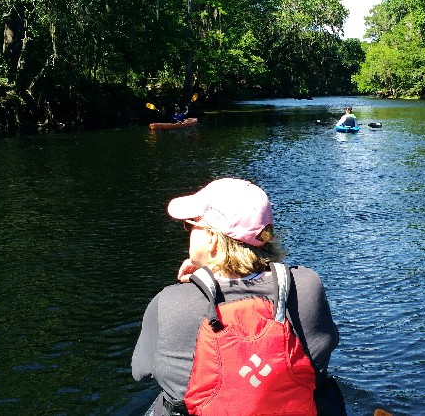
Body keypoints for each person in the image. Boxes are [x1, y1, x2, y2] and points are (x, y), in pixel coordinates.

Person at [132, 178, 345, 416]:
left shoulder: (170, 302)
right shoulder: (307, 286)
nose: (189, 231)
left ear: (212, 239)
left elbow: (142, 372)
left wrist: (193, 285)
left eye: (192, 225)